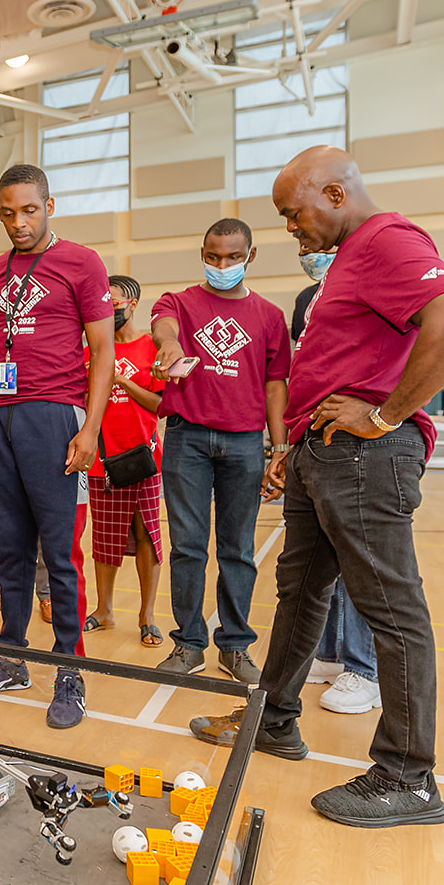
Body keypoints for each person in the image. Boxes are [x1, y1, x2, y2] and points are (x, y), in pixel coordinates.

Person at [189, 146, 444, 829]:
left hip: (363, 455)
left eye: (294, 214)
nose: (291, 228)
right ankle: (273, 718)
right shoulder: (350, 259)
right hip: (323, 452)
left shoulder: (387, 240)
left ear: (336, 193)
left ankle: (408, 777)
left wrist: (383, 415)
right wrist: (293, 445)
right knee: (299, 595)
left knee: (390, 605)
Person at [0, 165, 113, 728]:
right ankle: (11, 656)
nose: (18, 223)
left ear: (49, 205)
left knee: (59, 553)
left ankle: (70, 668)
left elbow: (103, 353)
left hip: (54, 417)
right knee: (11, 547)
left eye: (29, 210)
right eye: (8, 213)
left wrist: (89, 427)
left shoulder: (83, 263)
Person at [149, 219, 291, 684]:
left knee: (238, 549)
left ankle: (235, 646)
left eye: (232, 257)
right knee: (187, 547)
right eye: (213, 256)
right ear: (202, 253)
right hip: (187, 438)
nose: (222, 265)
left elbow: (275, 386)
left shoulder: (270, 317)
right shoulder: (181, 302)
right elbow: (162, 322)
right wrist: (169, 341)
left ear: (250, 257)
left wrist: (280, 446)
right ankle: (188, 643)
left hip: (245, 442)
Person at [293, 250, 382, 715]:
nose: (309, 253)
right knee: (325, 560)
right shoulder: (309, 298)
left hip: (365, 444)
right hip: (317, 441)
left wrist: (384, 416)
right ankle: (329, 655)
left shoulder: (375, 281)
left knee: (360, 566)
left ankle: (364, 668)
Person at [84, 275, 165, 648]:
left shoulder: (151, 348)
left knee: (147, 535)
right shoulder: (92, 350)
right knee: (104, 539)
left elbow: (160, 405)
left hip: (142, 459)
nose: (109, 309)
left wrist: (122, 382)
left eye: (114, 302)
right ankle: (104, 609)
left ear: (133, 304)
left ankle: (147, 615)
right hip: (102, 460)